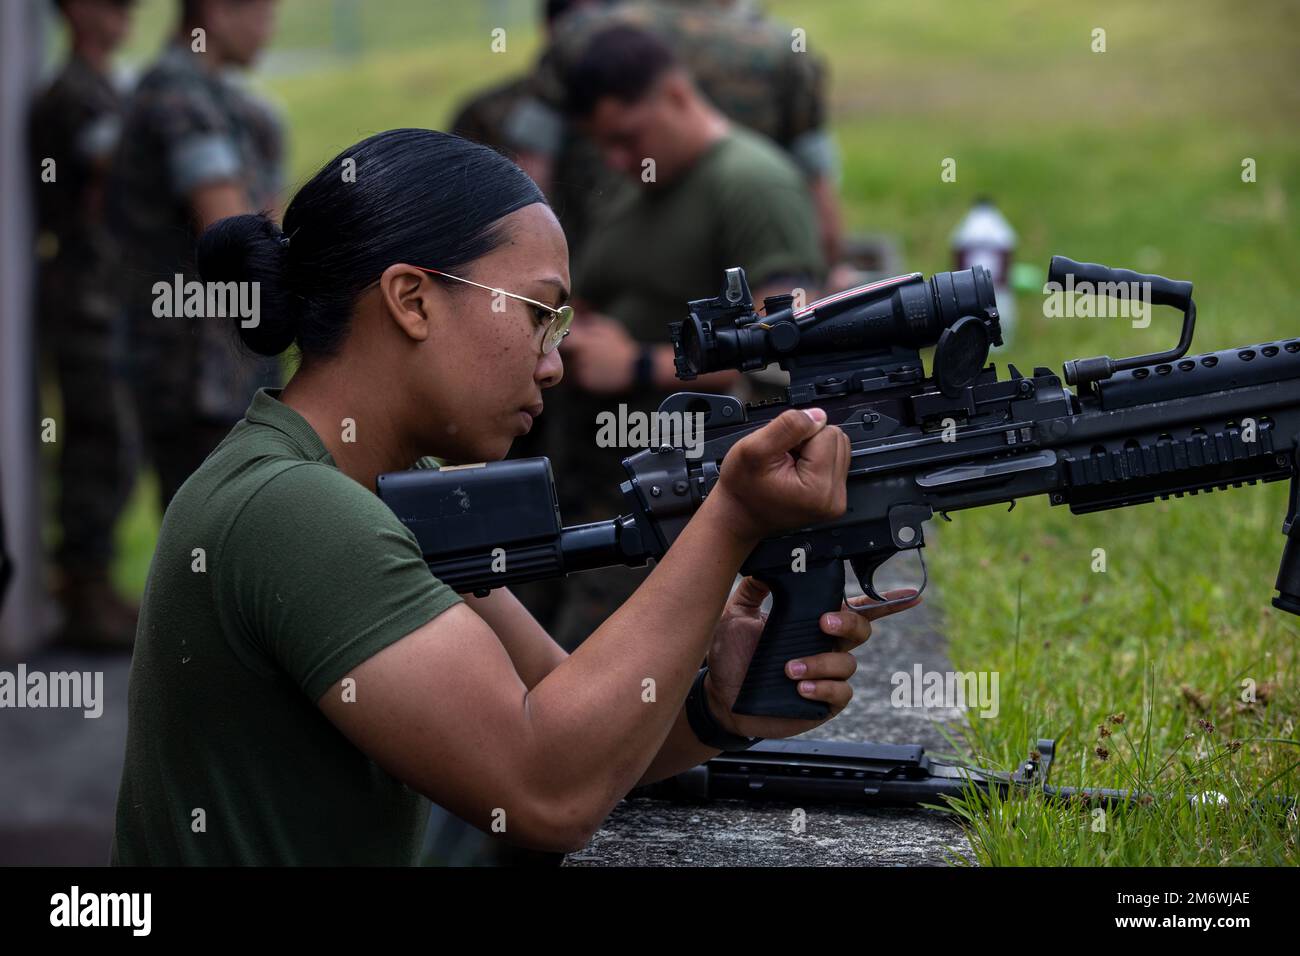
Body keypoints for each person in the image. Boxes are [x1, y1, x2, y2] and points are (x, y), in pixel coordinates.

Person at [110, 128, 919, 865]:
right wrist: (731, 521)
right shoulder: (292, 509)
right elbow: (542, 793)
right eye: (539, 313)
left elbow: (560, 714)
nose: (554, 364)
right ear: (412, 299)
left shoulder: (369, 489)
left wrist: (714, 706)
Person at [542, 24, 826, 650]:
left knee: (585, 664)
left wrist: (638, 367)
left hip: (671, 482)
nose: (617, 158)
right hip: (581, 468)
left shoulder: (753, 184)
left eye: (626, 137)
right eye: (603, 144)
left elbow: (786, 360)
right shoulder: (638, 179)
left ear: (675, 94)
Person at [107, 0, 283, 511]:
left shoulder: (220, 98)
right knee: (212, 538)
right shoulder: (177, 95)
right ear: (218, 11)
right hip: (193, 371)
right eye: (263, 12)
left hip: (221, 362)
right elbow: (234, 233)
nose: (268, 28)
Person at [28, 0, 138, 649]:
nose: (125, 15)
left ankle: (91, 583)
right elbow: (114, 180)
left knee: (114, 440)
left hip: (106, 292)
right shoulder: (73, 95)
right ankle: (82, 589)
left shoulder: (104, 89)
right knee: (99, 437)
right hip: (85, 295)